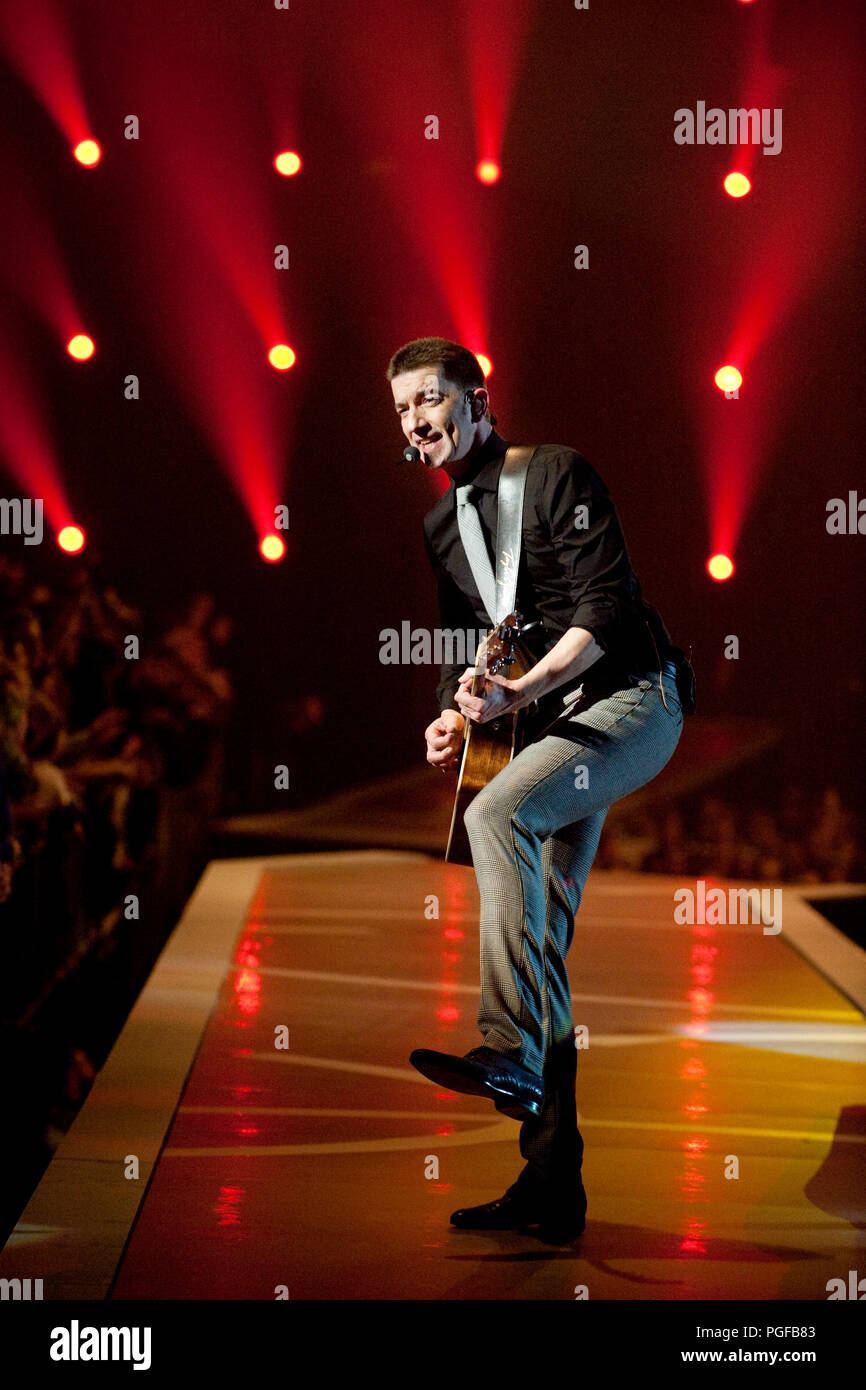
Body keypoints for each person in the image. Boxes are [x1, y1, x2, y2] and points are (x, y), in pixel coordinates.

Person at [387, 337, 693, 1245]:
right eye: (402, 410)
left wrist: (516, 694)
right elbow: (472, 650)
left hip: (637, 698)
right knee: (540, 942)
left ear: (478, 398)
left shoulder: (555, 473)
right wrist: (455, 713)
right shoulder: (443, 531)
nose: (416, 420)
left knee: (497, 811)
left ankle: (508, 1049)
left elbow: (605, 609)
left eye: (431, 398)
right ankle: (553, 1185)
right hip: (554, 724)